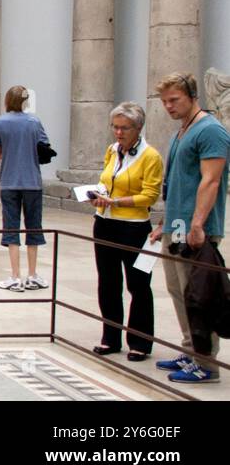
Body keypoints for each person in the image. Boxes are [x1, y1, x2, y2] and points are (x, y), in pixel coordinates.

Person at [147, 73, 230, 383]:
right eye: (165, 101)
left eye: (174, 100)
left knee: (200, 294)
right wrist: (165, 223)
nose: (168, 106)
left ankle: (206, 362)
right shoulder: (182, 130)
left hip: (197, 227)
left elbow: (211, 180)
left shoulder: (210, 131)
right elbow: (178, 183)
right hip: (177, 224)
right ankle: (190, 349)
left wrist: (198, 224)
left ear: (193, 97)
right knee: (179, 290)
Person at [91, 101, 163, 361]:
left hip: (134, 227)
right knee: (108, 282)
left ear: (138, 128)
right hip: (105, 222)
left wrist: (118, 202)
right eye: (115, 127)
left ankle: (140, 341)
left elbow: (150, 196)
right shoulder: (112, 150)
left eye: (125, 128)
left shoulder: (151, 156)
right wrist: (99, 196)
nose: (119, 133)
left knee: (138, 284)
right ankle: (111, 336)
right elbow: (106, 179)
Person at [0, 84, 49, 292]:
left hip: (9, 181)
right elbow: (44, 149)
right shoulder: (34, 122)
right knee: (34, 227)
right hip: (32, 181)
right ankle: (32, 274)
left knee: (11, 227)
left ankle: (15, 275)